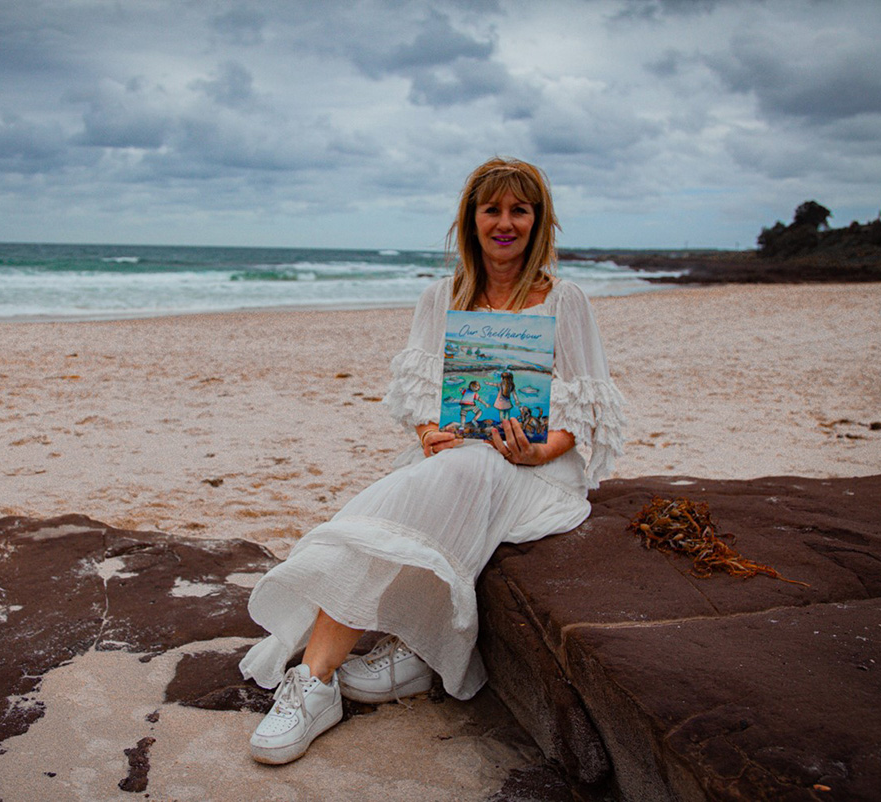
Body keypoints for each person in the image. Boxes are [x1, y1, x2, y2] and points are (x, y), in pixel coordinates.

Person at [239, 157, 626, 765]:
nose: (505, 223)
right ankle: (346, 673)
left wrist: (539, 449)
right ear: (470, 220)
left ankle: (317, 683)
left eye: (518, 210)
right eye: (491, 209)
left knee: (451, 480)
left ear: (538, 220)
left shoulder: (565, 299)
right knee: (443, 475)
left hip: (536, 470)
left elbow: (586, 412)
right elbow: (419, 396)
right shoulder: (439, 297)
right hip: (461, 457)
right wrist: (428, 432)